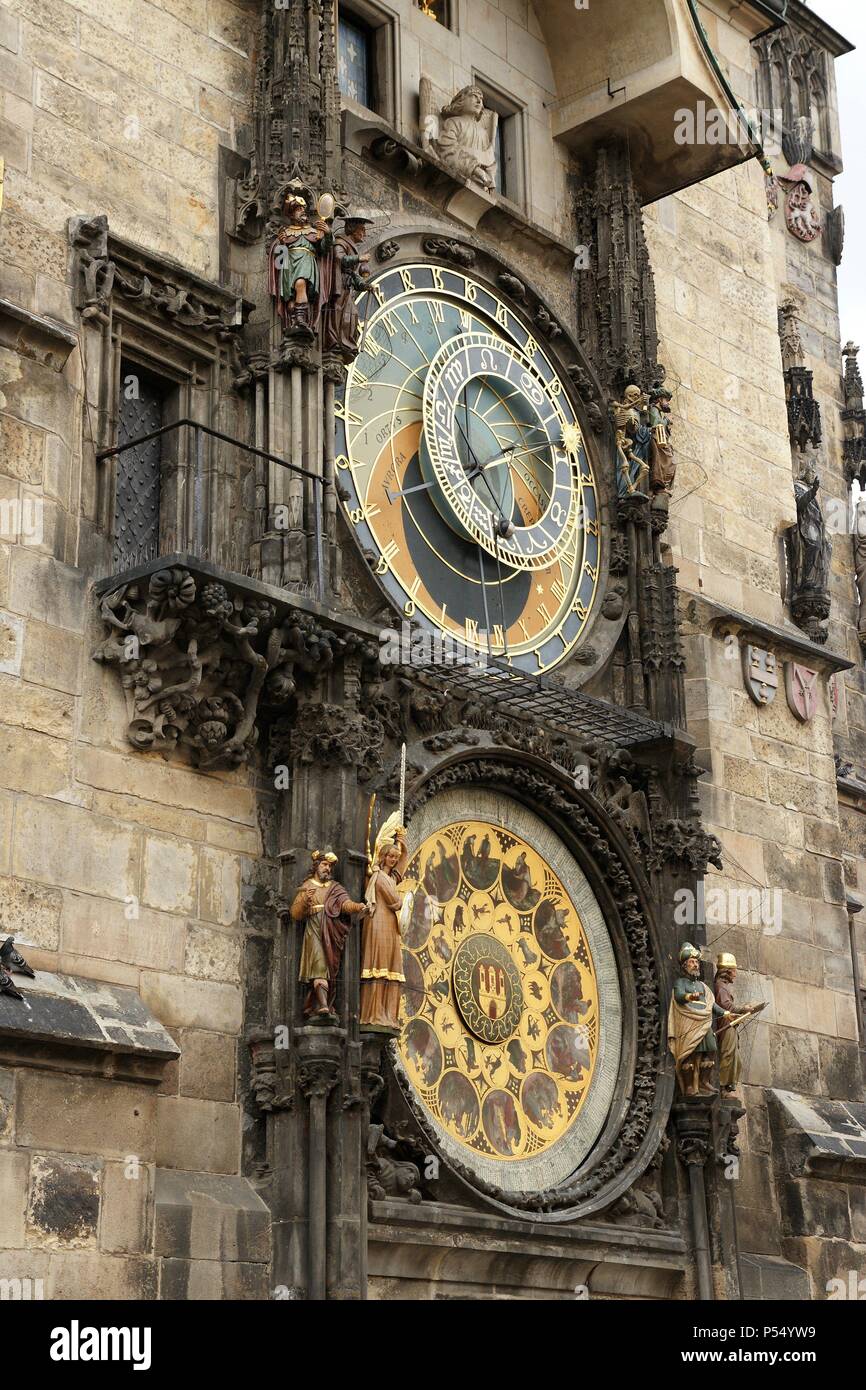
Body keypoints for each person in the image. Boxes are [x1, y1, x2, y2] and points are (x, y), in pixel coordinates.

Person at [291, 850, 367, 1020]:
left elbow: (345, 904)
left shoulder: (335, 888)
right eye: (324, 864)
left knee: (329, 971)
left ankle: (316, 1003)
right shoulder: (307, 886)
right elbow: (295, 914)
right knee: (320, 967)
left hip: (331, 934)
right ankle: (323, 1005)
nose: (327, 869)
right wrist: (305, 901)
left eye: (330, 866)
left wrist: (358, 907)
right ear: (316, 866)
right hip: (314, 932)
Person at [360, 815, 410, 1033]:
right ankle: (375, 1013)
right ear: (382, 857)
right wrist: (408, 899)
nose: (392, 859)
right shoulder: (379, 878)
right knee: (380, 966)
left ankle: (388, 1014)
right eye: (389, 856)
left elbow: (400, 869)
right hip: (380, 924)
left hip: (389, 926)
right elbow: (396, 902)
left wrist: (402, 844)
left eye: (394, 856)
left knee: (391, 969)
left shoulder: (390, 877)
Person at [668, 942, 734, 1096]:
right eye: (692, 962)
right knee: (689, 1056)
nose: (696, 965)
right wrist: (690, 996)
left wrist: (725, 1013)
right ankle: (691, 1085)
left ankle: (704, 1082)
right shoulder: (681, 983)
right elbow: (678, 996)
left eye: (697, 962)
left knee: (710, 1050)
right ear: (685, 965)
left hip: (704, 1023)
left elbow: (711, 1004)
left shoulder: (703, 986)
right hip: (689, 1022)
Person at [268, 193, 330, 332]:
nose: (302, 212)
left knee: (301, 284)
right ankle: (295, 317)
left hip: (306, 261)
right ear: (291, 215)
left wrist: (328, 234)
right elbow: (279, 263)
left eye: (303, 209)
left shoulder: (314, 232)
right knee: (291, 302)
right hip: (289, 266)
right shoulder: (286, 233)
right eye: (298, 209)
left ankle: (301, 319)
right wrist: (282, 245)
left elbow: (324, 251)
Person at [714, 952, 764, 1092]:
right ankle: (723, 1087)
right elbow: (726, 1007)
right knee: (728, 1056)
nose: (735, 974)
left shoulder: (723, 986)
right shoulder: (720, 986)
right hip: (726, 1026)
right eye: (734, 970)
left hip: (731, 1026)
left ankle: (727, 1086)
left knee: (736, 1060)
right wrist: (744, 1008)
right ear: (727, 971)